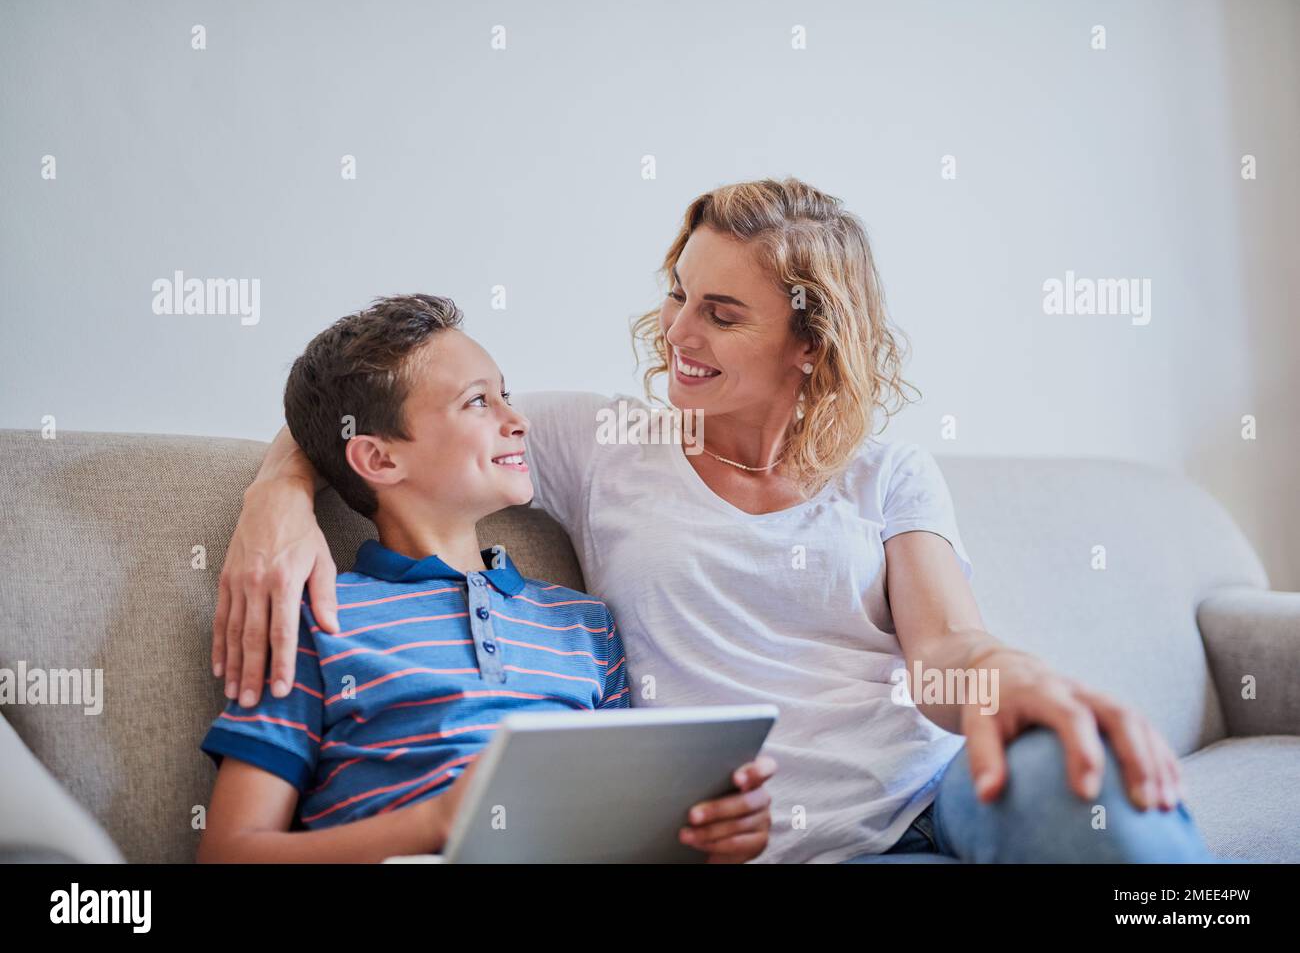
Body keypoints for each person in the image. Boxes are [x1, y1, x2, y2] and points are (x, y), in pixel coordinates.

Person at [213, 179, 1215, 862]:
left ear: (810, 343)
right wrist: (278, 499)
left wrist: (1012, 676)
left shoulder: (887, 474)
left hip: (928, 795)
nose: (675, 334)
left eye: (721, 315)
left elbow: (944, 645)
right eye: (677, 295)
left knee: (1102, 798)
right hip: (761, 843)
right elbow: (375, 409)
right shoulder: (605, 439)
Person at [197, 293, 775, 863]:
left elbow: (623, 823)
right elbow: (231, 852)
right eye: (478, 403)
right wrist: (435, 823)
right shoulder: (315, 617)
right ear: (378, 460)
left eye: (506, 394)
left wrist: (710, 840)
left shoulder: (582, 623)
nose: (518, 420)